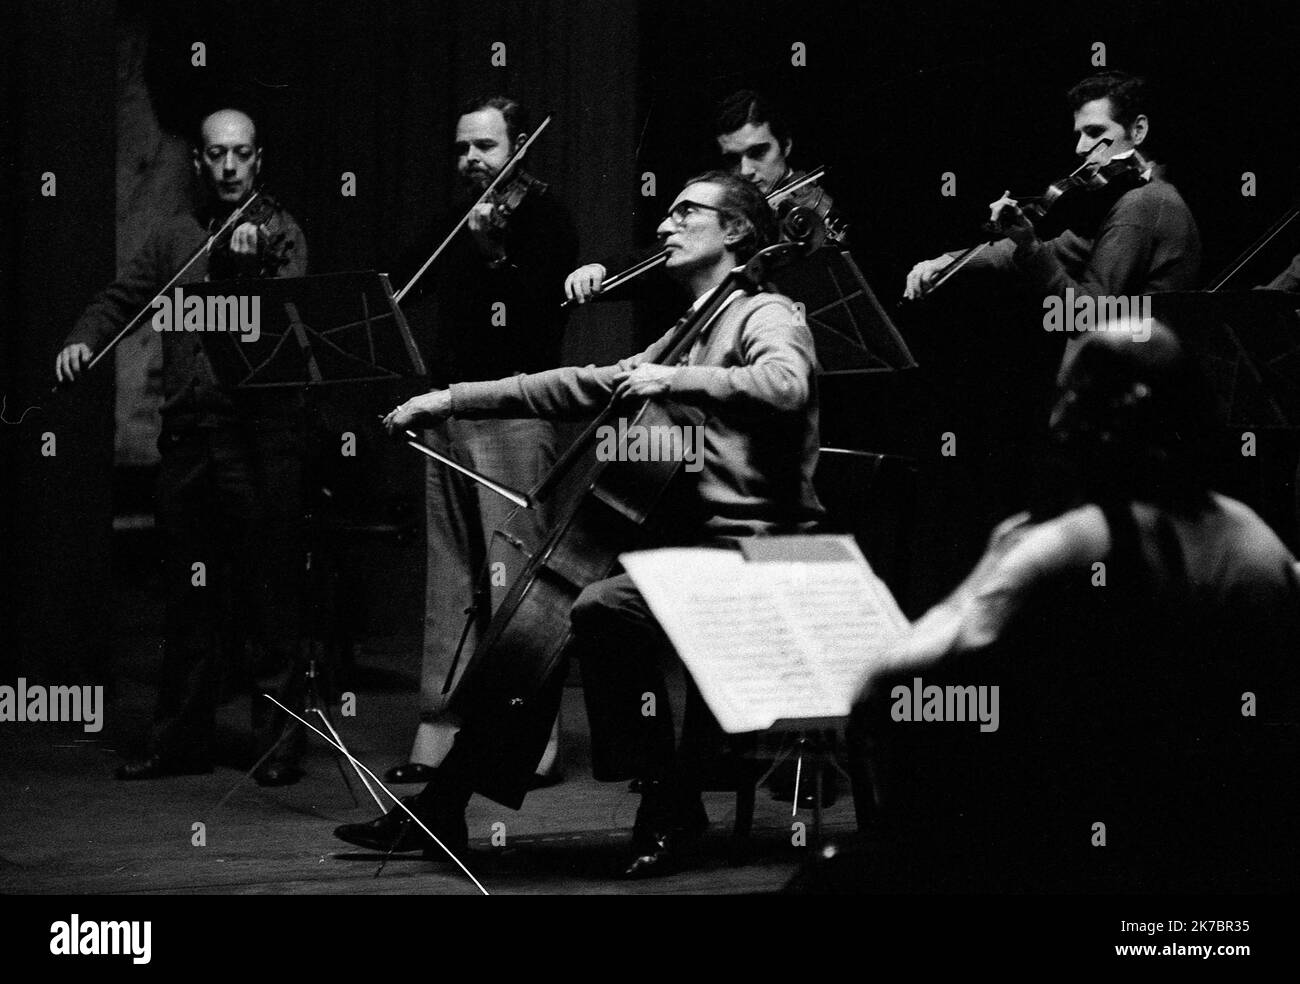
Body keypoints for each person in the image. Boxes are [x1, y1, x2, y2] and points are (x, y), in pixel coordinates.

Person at [336, 170, 823, 877]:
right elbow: (578, 383)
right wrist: (448, 399)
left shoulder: (765, 311)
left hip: (759, 547)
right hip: (692, 545)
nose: (665, 225)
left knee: (599, 607)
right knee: (542, 615)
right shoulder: (690, 327)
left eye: (687, 212)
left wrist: (674, 382)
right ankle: (441, 807)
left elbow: (786, 383)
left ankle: (670, 799)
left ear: (739, 233)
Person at [841, 318, 1300, 892]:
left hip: (1069, 854)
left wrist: (995, 560)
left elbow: (887, 689)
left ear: (1084, 424)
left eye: (1067, 400)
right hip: (1220, 856)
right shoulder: (1258, 542)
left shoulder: (1064, 546)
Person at [56, 107, 311, 785]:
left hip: (258, 442)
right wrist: (86, 337)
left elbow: (283, 339)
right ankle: (180, 741)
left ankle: (280, 744)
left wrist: (246, 276)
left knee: (266, 596)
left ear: (259, 160)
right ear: (199, 163)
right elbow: (121, 299)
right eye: (216, 155)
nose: (230, 167)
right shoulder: (173, 237)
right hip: (189, 441)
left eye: (242, 154)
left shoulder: (282, 233)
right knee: (189, 596)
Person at [382, 96, 578, 787]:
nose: (472, 160)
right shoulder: (457, 218)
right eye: (463, 148)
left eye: (487, 148)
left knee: (516, 589)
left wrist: (497, 255)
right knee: (452, 587)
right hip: (451, 415)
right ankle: (441, 738)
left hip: (515, 418)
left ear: (519, 147)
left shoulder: (548, 220)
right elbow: (401, 279)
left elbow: (540, 317)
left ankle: (524, 745)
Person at [903, 71, 1201, 373]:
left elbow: (1085, 315)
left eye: (1096, 132)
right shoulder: (1130, 199)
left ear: (1138, 130)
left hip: (1132, 385)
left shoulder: (1144, 204)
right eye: (1080, 134)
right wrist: (948, 261)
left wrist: (1030, 247)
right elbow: (1050, 249)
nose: (1081, 148)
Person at [564, 89, 845, 307]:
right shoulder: (726, 206)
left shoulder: (818, 207)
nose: (746, 171)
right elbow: (662, 255)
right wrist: (601, 270)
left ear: (786, 145)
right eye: (734, 159)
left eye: (758, 153)